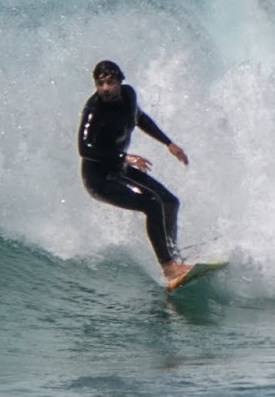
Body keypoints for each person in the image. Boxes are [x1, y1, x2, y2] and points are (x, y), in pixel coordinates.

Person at [76, 59, 192, 285]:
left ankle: (174, 257)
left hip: (119, 169)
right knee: (151, 202)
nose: (105, 89)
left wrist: (168, 143)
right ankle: (169, 267)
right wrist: (124, 157)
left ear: (120, 80)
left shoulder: (129, 96)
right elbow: (84, 148)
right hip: (99, 179)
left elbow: (139, 118)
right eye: (100, 84)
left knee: (169, 202)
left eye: (110, 82)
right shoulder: (94, 110)